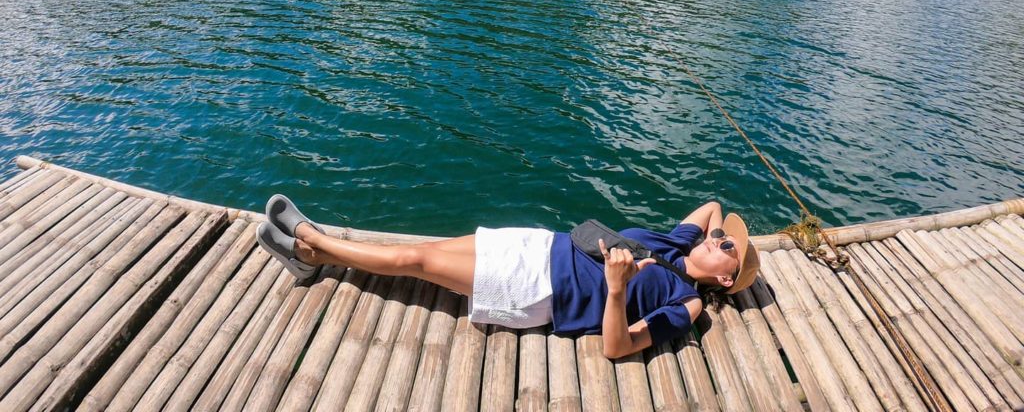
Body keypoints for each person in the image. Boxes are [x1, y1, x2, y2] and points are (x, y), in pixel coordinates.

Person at [257, 198, 759, 358]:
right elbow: (713, 205)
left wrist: (616, 288)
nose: (718, 239)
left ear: (725, 280)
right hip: (539, 245)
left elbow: (618, 347)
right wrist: (718, 239)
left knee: (415, 260)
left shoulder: (688, 302)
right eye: (720, 237)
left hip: (538, 288)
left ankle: (312, 243)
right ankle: (312, 255)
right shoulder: (677, 244)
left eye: (726, 248)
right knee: (427, 250)